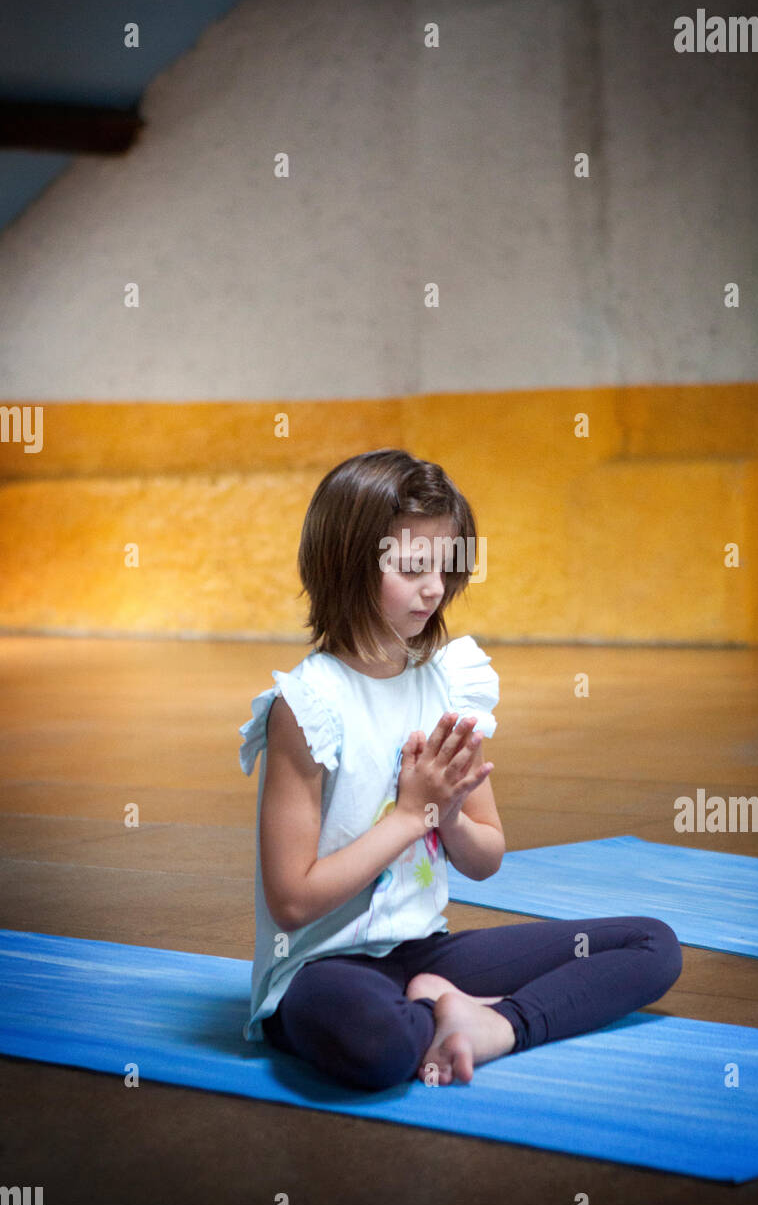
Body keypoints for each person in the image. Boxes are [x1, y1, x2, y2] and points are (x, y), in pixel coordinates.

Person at [238, 448, 682, 1091]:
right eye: (412, 567)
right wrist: (412, 815)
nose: (434, 589)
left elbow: (487, 855)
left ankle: (493, 1026)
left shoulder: (449, 686)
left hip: (423, 950)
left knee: (651, 945)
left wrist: (447, 816)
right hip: (319, 967)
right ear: (346, 562)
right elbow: (291, 901)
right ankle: (435, 1011)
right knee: (380, 1046)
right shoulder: (307, 707)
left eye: (444, 568)